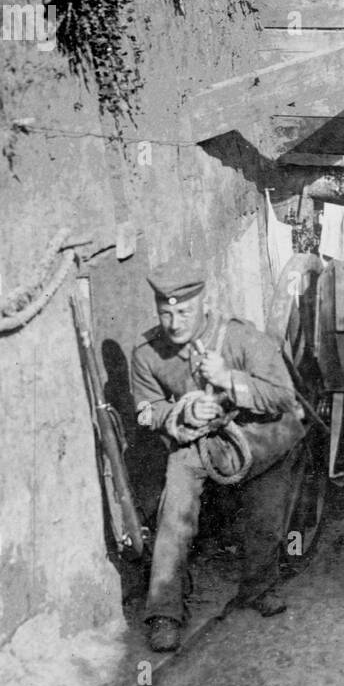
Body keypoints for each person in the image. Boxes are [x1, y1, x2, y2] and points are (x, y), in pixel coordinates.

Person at [131, 257, 306, 652]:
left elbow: (282, 397)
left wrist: (229, 379)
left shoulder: (242, 340)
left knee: (264, 517)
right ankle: (164, 612)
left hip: (261, 436)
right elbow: (146, 410)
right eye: (166, 312)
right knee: (174, 514)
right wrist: (181, 413)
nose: (174, 323)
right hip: (201, 441)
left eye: (184, 312)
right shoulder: (146, 352)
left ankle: (259, 587)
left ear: (203, 305)